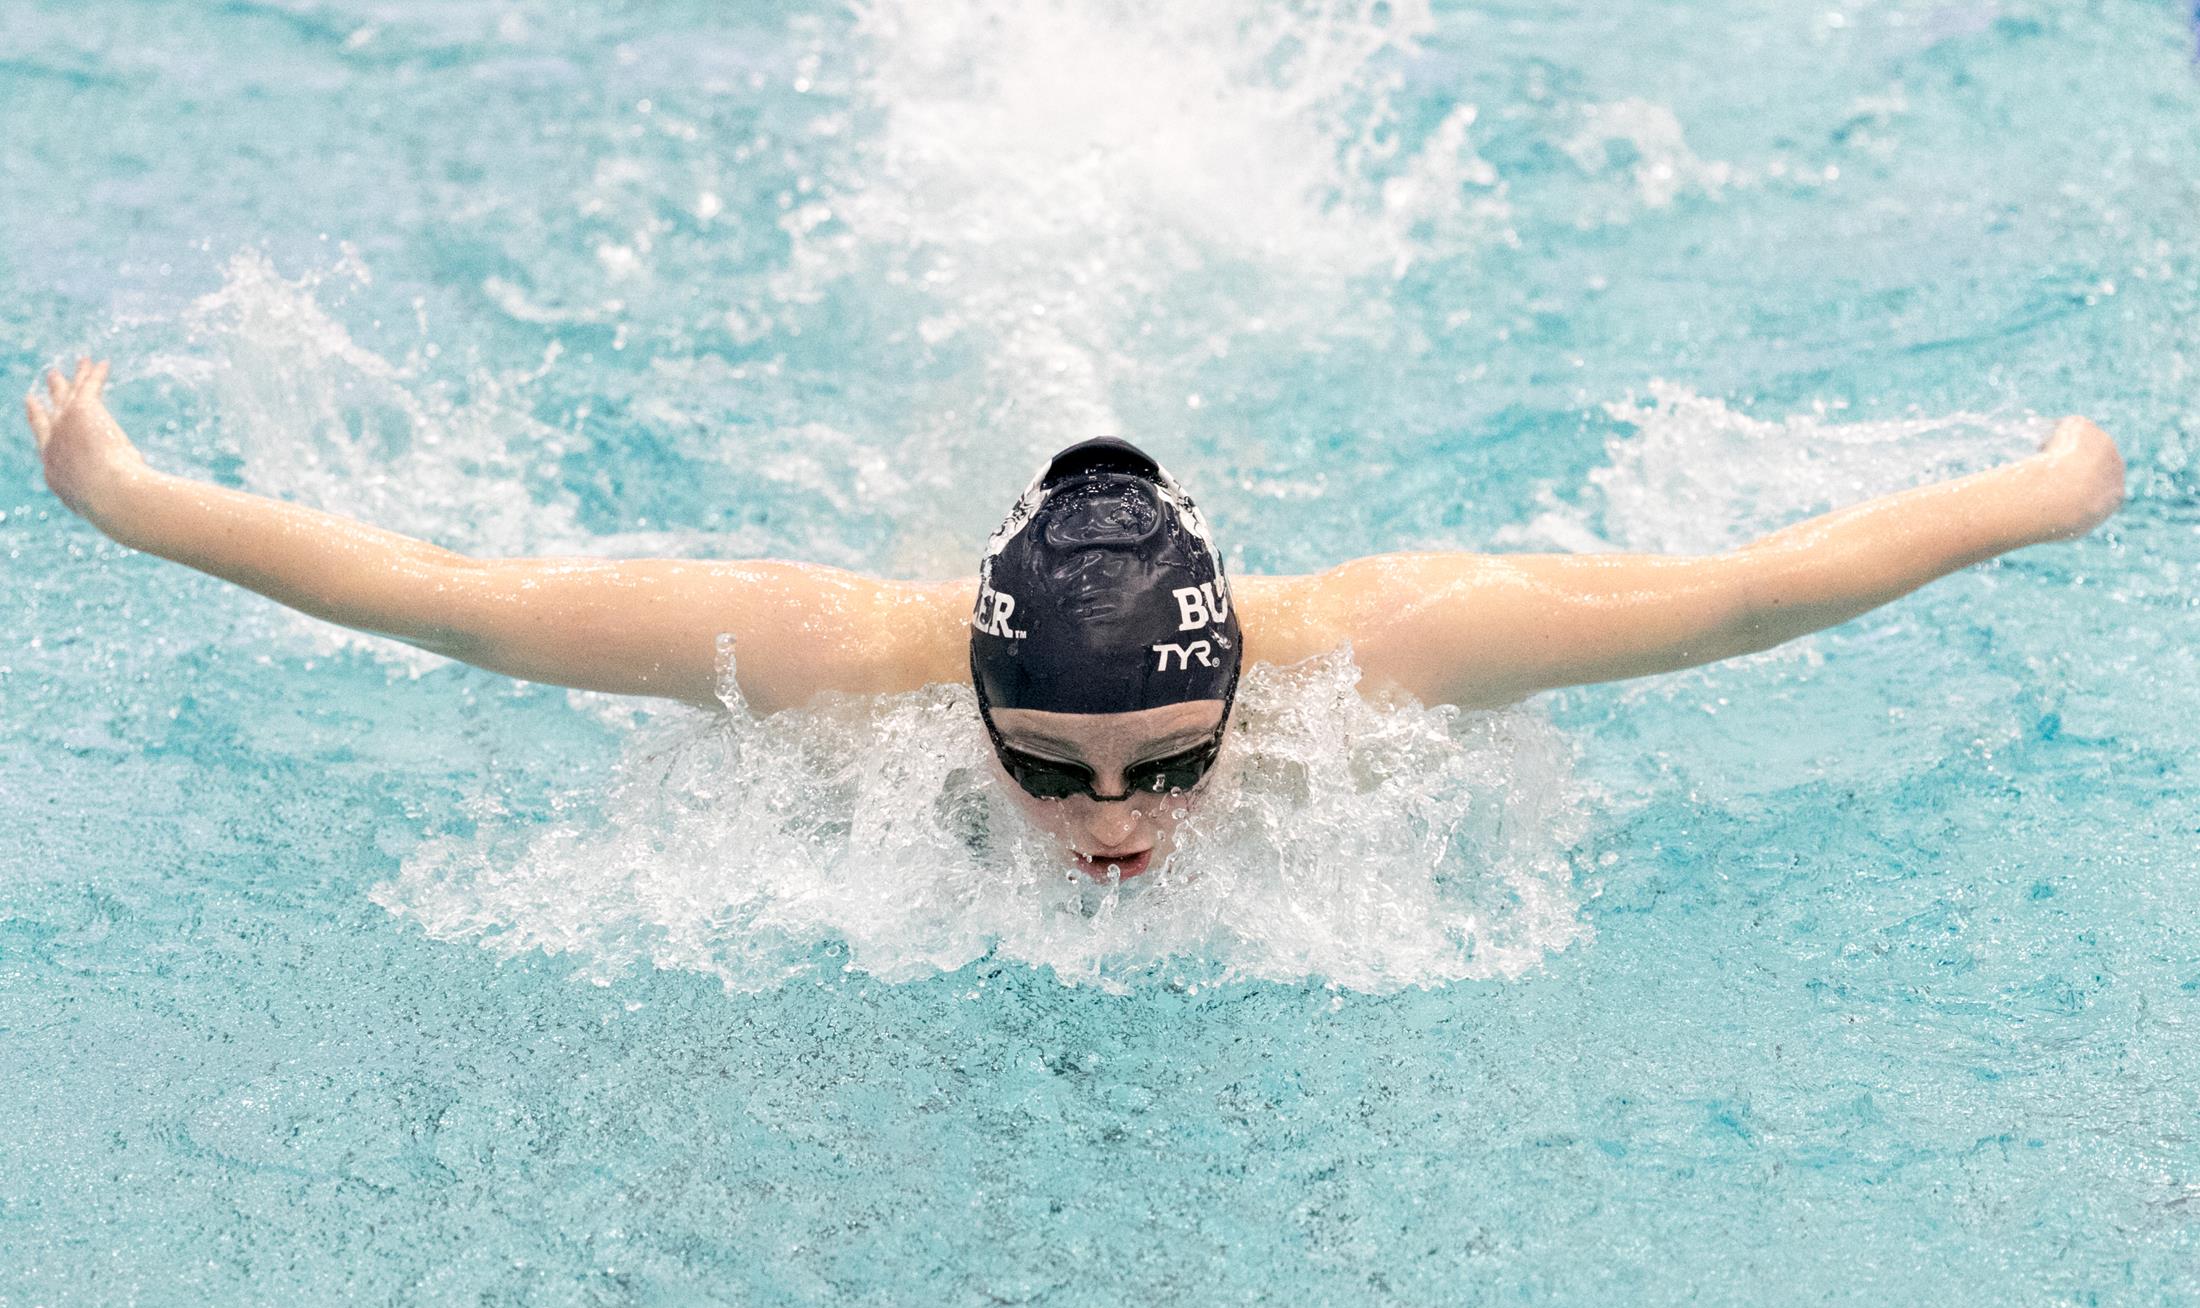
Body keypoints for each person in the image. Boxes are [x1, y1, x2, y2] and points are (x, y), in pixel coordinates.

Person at [24, 357, 2127, 880]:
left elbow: (1747, 592)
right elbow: (467, 611)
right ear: (964, 683)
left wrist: (2037, 497)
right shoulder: (834, 654)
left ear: (1237, 701)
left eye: (1168, 767)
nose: (1113, 833)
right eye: (1044, 771)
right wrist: (124, 499)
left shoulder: (1384, 647)